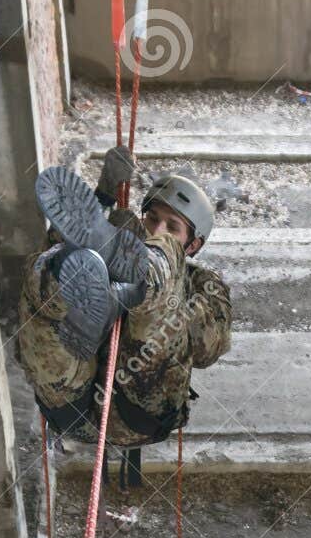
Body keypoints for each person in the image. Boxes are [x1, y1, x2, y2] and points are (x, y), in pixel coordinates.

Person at [18, 148, 231, 449]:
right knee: (44, 274)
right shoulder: (113, 252)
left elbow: (208, 349)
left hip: (136, 411)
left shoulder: (204, 283)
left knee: (162, 269)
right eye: (153, 218)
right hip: (68, 402)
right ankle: (97, 276)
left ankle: (140, 282)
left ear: (194, 245)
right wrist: (104, 193)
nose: (156, 229)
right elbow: (52, 254)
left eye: (172, 227)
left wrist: (163, 291)